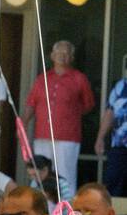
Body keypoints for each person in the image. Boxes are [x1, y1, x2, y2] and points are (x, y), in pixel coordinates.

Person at [25, 40, 94, 200]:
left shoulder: (79, 79)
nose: (62, 57)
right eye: (58, 53)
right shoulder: (42, 78)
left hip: (67, 138)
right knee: (39, 174)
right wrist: (23, 124)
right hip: (42, 135)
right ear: (52, 56)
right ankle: (40, 211)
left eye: (66, 54)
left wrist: (68, 115)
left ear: (71, 57)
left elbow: (88, 105)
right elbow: (31, 104)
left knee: (65, 177)